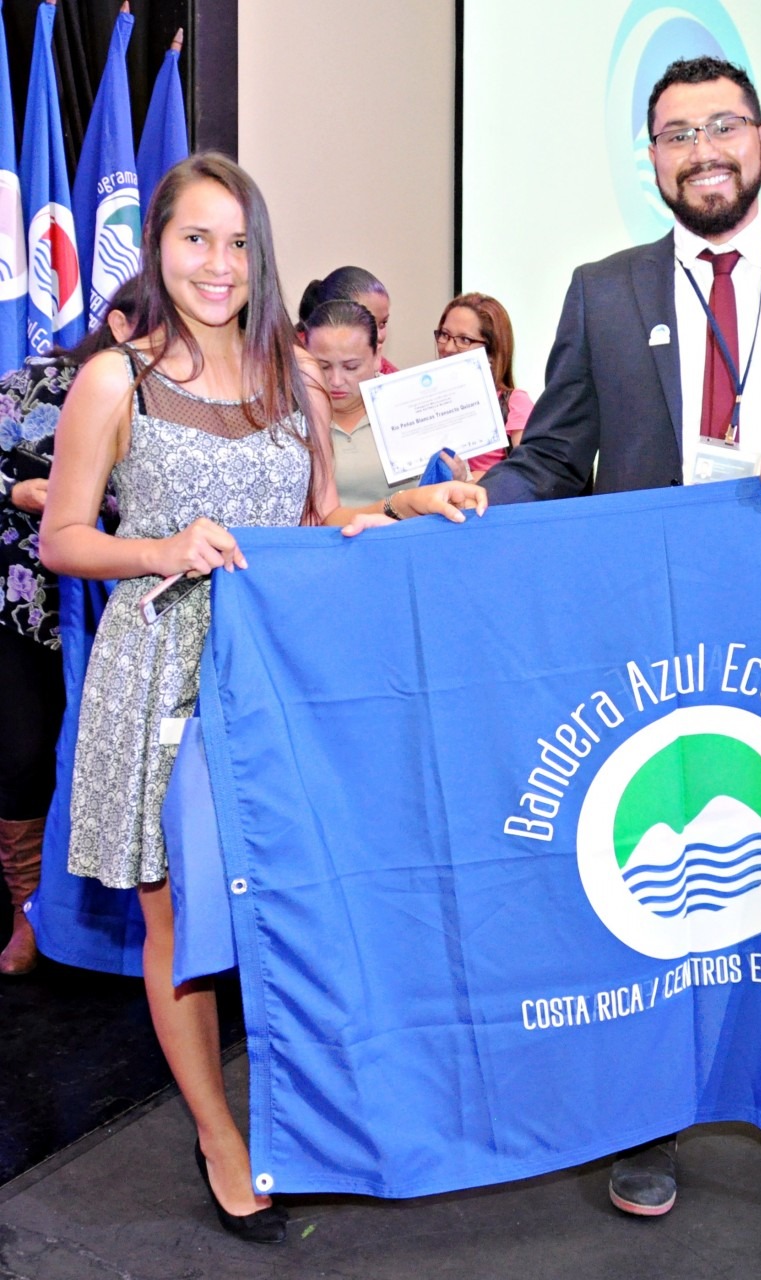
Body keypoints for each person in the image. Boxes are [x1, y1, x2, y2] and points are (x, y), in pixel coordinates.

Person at [481, 55, 761, 1217]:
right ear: (651, 159)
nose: (701, 149)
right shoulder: (602, 288)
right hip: (655, 631)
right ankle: (649, 1108)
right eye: (675, 133)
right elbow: (550, 454)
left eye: (720, 125)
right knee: (658, 852)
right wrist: (472, 505)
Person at [38, 153, 485, 1245]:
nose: (218, 264)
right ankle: (218, 1132)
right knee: (176, 916)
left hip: (281, 678)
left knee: (299, 897)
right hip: (160, 680)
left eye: (238, 243)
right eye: (197, 239)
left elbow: (323, 514)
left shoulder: (291, 373)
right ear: (159, 247)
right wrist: (162, 547)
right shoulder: (117, 377)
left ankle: (326, 1109)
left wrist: (414, 500)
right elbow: (61, 538)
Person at [0, 283, 139, 974]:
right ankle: (26, 912)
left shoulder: (174, 399)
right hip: (28, 608)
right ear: (116, 325)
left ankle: (107, 925)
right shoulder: (27, 386)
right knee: (23, 757)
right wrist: (15, 493)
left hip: (126, 610)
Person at [302, 298, 421, 507]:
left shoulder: (410, 405)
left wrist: (451, 474)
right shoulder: (290, 416)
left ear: (377, 356)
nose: (336, 381)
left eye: (351, 367)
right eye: (323, 367)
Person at [434, 292, 534, 476]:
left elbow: (528, 479)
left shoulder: (514, 403)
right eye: (445, 335)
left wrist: (468, 481)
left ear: (492, 352)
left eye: (464, 340)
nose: (447, 348)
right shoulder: (427, 401)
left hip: (485, 503)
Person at [298, 265, 396, 373]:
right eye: (325, 366)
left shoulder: (382, 368)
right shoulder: (296, 363)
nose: (378, 335)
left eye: (383, 324)